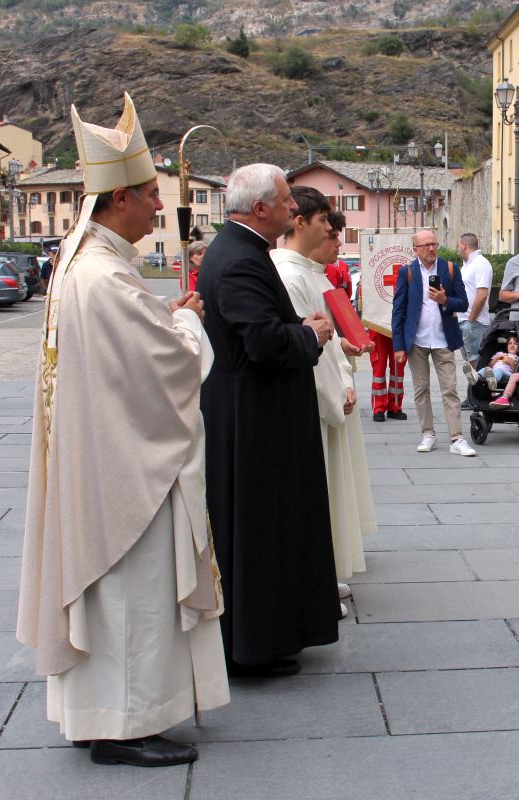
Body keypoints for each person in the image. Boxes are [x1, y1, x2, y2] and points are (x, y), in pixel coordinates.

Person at [16, 93, 226, 768]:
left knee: (119, 598)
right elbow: (174, 367)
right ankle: (123, 724)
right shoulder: (104, 278)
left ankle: (109, 716)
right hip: (123, 475)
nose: (159, 208)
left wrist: (165, 317)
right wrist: (188, 323)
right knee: (132, 593)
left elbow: (130, 353)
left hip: (101, 456)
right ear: (118, 202)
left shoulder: (87, 268)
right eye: (149, 197)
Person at [198, 163, 342, 676]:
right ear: (260, 209)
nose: (292, 210)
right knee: (258, 531)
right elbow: (261, 341)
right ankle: (253, 648)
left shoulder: (243, 252)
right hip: (253, 420)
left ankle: (271, 637)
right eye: (285, 202)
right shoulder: (240, 260)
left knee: (270, 527)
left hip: (259, 411)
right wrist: (311, 336)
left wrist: (297, 327)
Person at [271, 187, 375, 598]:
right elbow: (303, 342)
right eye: (324, 223)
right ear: (300, 223)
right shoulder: (289, 274)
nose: (332, 230)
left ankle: (326, 569)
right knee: (320, 491)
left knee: (330, 490)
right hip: (316, 399)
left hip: (330, 387)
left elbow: (322, 336)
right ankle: (317, 579)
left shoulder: (308, 273)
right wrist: (339, 390)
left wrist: (341, 355)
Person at [392, 229, 477, 456]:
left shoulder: (450, 268)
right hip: (416, 340)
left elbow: (463, 302)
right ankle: (427, 433)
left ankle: (457, 438)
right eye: (426, 245)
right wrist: (398, 345)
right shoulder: (407, 272)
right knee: (421, 390)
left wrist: (444, 299)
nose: (431, 248)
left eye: (434, 244)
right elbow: (398, 309)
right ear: (416, 249)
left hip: (443, 339)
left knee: (449, 389)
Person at [457, 232, 492, 363]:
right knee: (471, 367)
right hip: (465, 322)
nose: (458, 249)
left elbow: (482, 294)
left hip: (474, 323)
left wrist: (470, 321)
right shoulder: (466, 265)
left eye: (458, 246)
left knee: (477, 363)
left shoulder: (480, 263)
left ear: (463, 245)